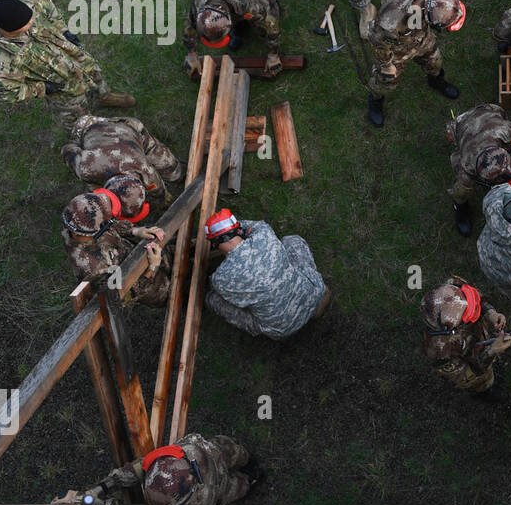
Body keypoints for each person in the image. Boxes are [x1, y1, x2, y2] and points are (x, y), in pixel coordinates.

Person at [0, 0, 134, 127]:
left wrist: (64, 31)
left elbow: (50, 10)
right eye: (27, 23)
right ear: (9, 30)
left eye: (31, 17)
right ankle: (86, 135)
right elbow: (6, 93)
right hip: (62, 89)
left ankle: (104, 97)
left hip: (77, 59)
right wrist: (42, 88)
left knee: (95, 76)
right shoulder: (2, 63)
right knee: (76, 118)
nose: (33, 20)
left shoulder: (31, 1)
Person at [81, 435, 256, 505]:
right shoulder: (170, 458)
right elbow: (132, 471)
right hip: (215, 451)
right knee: (233, 451)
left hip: (219, 488)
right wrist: (101, 489)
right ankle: (248, 460)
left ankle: (249, 480)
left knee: (237, 487)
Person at [204, 209, 330, 339]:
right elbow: (251, 225)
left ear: (214, 244)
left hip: (283, 327)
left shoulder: (221, 279)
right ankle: (317, 306)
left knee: (213, 299)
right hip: (313, 295)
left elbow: (225, 294)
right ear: (239, 230)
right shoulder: (264, 233)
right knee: (292, 240)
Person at [364, 0, 464, 126]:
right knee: (385, 81)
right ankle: (375, 101)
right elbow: (379, 43)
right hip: (397, 52)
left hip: (422, 39)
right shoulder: (389, 24)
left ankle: (436, 82)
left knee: (435, 63)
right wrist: (386, 65)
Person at [61, 177, 168, 305]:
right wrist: (152, 268)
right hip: (156, 287)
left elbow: (109, 225)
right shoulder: (94, 268)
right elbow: (124, 294)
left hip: (139, 252)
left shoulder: (77, 223)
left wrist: (135, 230)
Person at [181, 0, 283, 78]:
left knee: (268, 13)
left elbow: (269, 23)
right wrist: (192, 55)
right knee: (244, 19)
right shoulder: (199, 3)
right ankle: (240, 29)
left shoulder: (246, 4)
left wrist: (273, 55)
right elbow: (189, 27)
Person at [447, 103, 511, 236]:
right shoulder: (466, 166)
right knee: (461, 192)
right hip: (461, 126)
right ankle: (461, 211)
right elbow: (459, 192)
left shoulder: (506, 131)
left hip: (486, 112)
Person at [421, 277, 511, 393]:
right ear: (454, 329)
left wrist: (491, 313)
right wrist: (491, 352)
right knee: (482, 384)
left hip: (478, 338)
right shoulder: (439, 350)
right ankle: (486, 390)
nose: (475, 312)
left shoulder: (454, 286)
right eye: (469, 315)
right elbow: (464, 376)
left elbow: (475, 297)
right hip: (475, 367)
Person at [62, 115, 183, 209]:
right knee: (93, 187)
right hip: (91, 129)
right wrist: (81, 141)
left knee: (169, 168)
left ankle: (179, 175)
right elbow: (68, 150)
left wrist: (166, 202)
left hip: (126, 127)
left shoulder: (145, 170)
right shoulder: (86, 169)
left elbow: (158, 190)